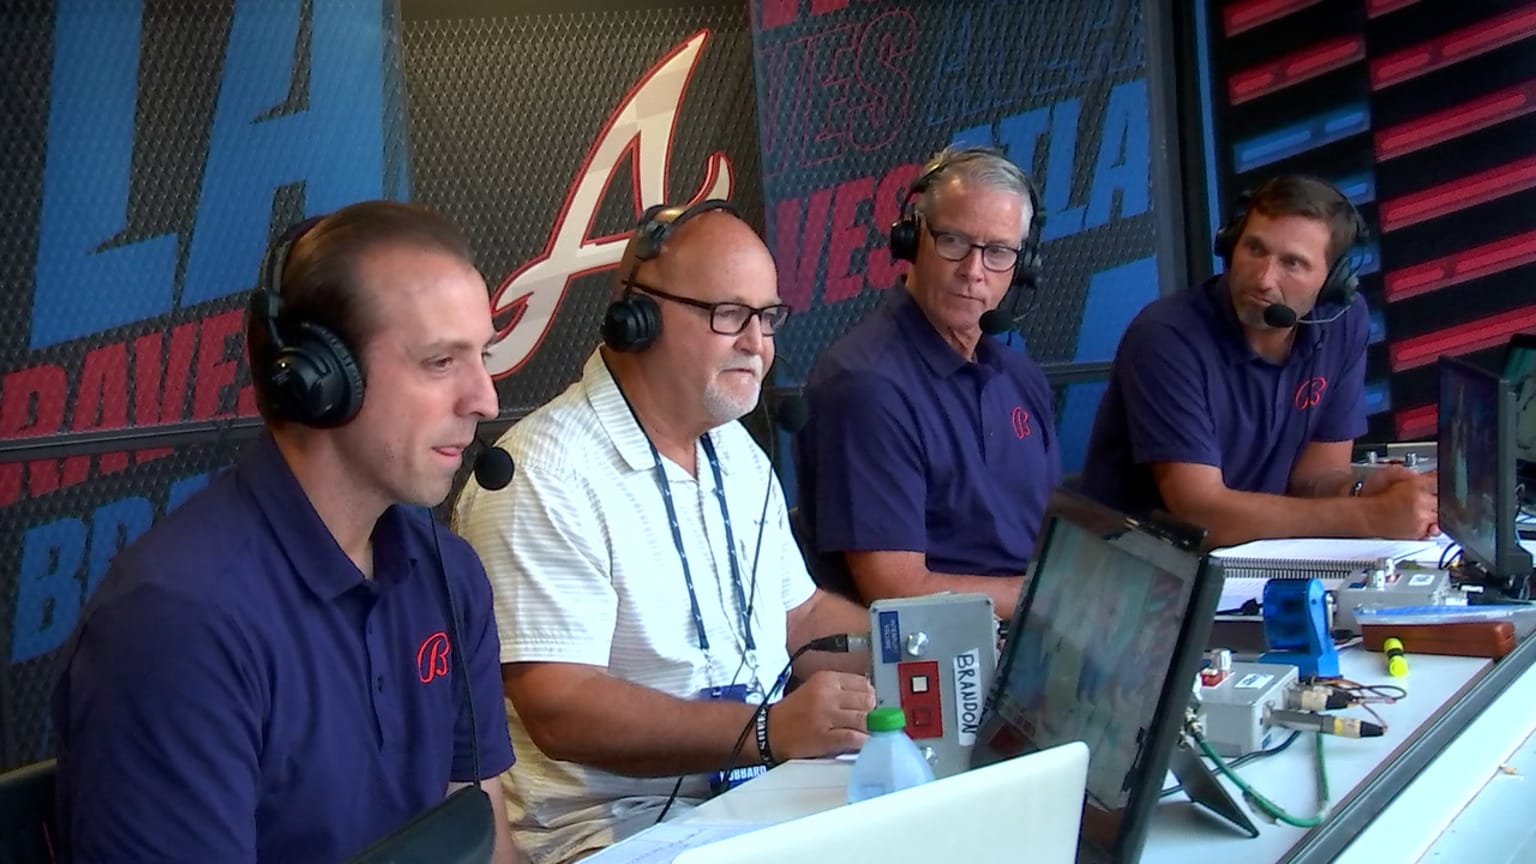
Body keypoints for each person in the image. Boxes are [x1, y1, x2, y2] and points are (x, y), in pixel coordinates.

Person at [51, 201, 520, 863]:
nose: (485, 399)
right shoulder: (179, 622)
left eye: (483, 356)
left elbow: (483, 838)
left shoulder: (449, 574)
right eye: (441, 362)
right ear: (318, 378)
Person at [453, 201, 875, 864]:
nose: (757, 344)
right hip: (612, 834)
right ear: (637, 317)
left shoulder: (734, 448)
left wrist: (928, 644)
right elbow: (561, 705)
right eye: (729, 314)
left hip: (755, 798)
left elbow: (802, 617)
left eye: (767, 317)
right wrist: (766, 730)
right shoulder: (543, 472)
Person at [1079, 175, 1436, 547]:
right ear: (1231, 245)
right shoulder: (1166, 337)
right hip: (1141, 564)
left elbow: (1312, 481)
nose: (1264, 279)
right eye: (1254, 249)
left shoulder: (1343, 321)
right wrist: (1371, 515)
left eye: (1292, 263)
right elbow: (1199, 514)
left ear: (1332, 281)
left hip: (1254, 557)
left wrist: (1361, 490)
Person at [792, 146, 1060, 619]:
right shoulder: (865, 386)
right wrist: (1055, 601)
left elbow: (1051, 537)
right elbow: (896, 590)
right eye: (953, 241)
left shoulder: (1022, 377)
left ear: (1023, 266)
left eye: (998, 252)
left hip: (1036, 625)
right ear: (912, 239)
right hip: (945, 645)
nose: (973, 272)